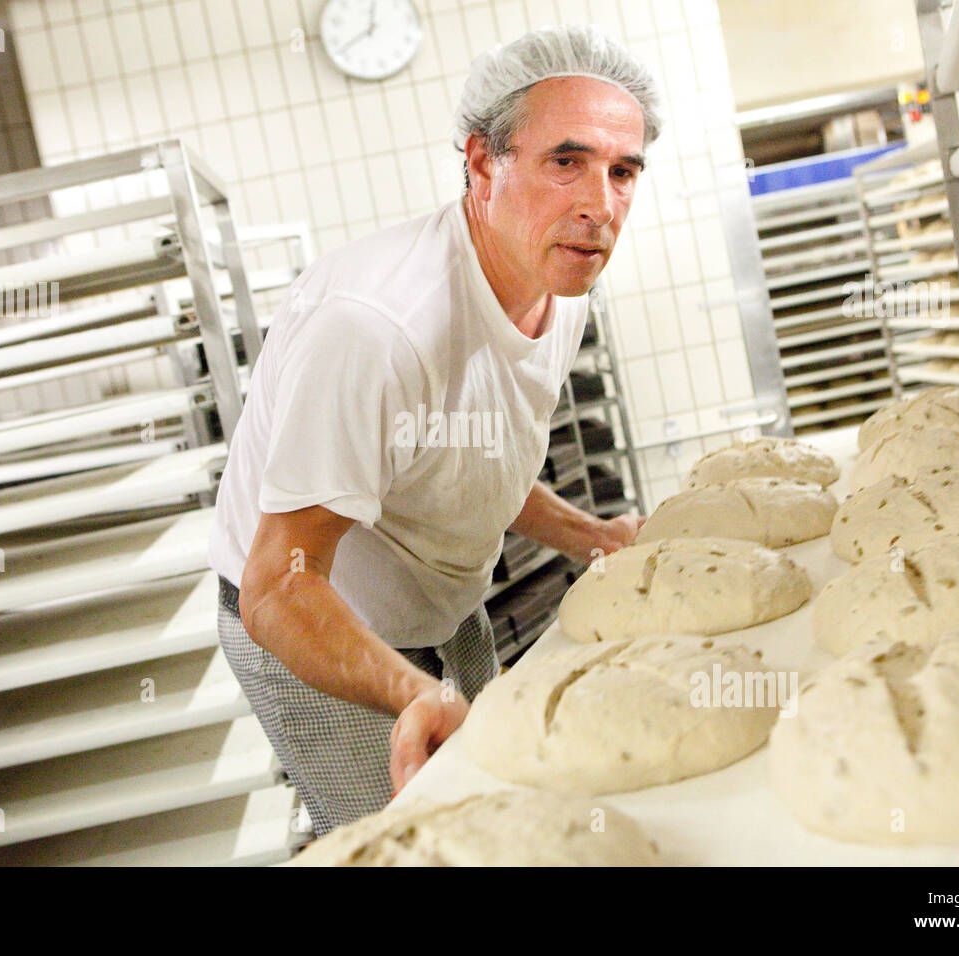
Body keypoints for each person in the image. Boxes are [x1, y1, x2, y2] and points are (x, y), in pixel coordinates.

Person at [207, 24, 663, 836]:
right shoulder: (377, 326)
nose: (600, 205)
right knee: (423, 840)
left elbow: (472, 453)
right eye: (567, 161)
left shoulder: (559, 288)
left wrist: (591, 535)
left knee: (501, 814)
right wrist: (413, 691)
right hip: (309, 619)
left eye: (622, 171)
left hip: (442, 603)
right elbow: (277, 584)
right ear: (483, 162)